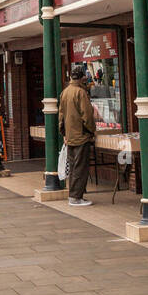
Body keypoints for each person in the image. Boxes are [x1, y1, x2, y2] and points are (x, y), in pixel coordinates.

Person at [58, 63, 96, 207]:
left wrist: (64, 133)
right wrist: (91, 130)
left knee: (73, 167)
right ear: (82, 77)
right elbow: (87, 115)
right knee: (80, 167)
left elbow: (61, 116)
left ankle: (72, 195)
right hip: (81, 136)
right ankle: (76, 197)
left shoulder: (65, 92)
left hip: (70, 136)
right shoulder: (81, 93)